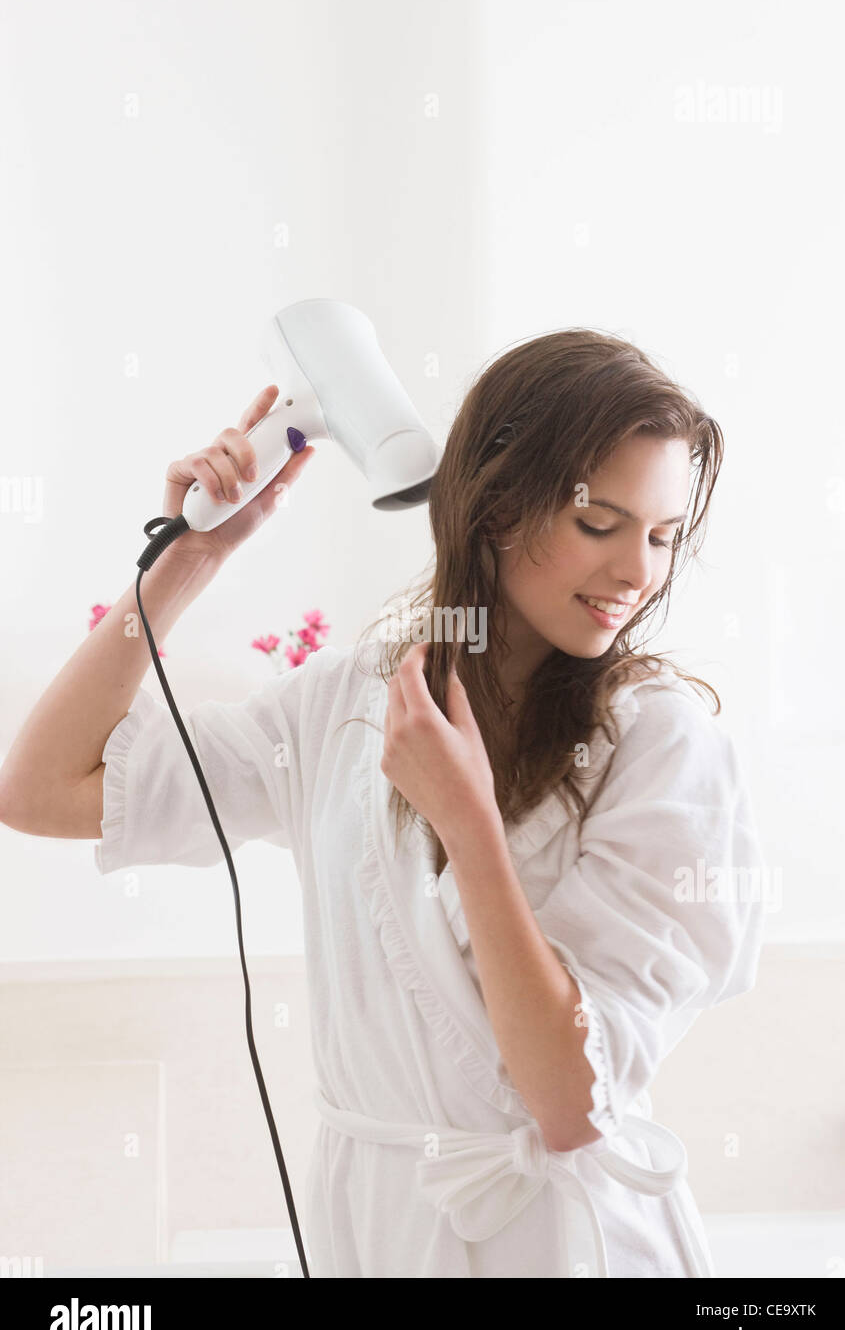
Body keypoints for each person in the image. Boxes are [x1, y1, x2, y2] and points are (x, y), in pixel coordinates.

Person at [0, 329, 767, 1278]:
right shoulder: (348, 701)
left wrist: (471, 829)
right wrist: (189, 562)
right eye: (599, 524)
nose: (635, 575)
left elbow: (570, 1103)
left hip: (570, 1244)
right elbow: (40, 790)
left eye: (661, 537)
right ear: (494, 506)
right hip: (380, 1230)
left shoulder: (659, 744)